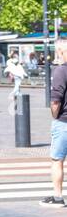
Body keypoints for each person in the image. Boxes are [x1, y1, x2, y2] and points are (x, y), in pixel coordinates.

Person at [43, 38, 67, 207]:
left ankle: (58, 197)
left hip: (64, 121)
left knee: (57, 159)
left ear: (60, 52)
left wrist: (55, 116)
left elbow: (55, 101)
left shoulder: (61, 71)